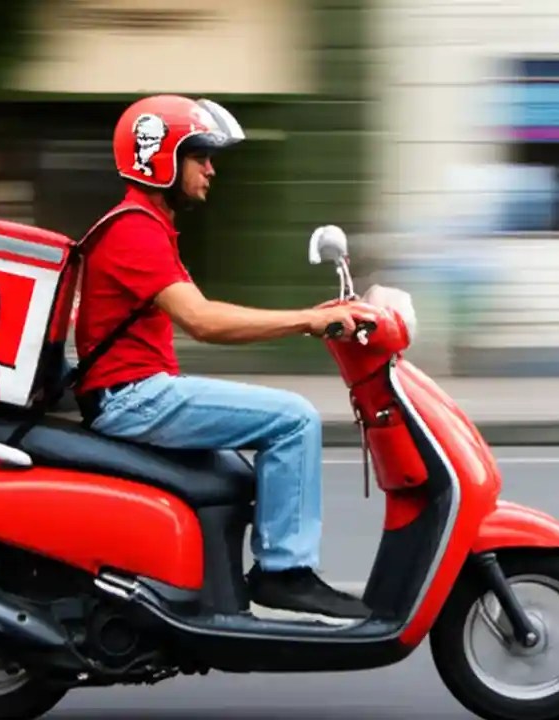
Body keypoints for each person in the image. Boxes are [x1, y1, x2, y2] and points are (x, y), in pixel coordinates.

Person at [72, 94, 371, 623]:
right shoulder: (134, 231)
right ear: (162, 159)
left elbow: (206, 312)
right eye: (200, 156)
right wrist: (304, 319)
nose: (211, 169)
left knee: (249, 453)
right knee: (294, 419)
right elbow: (204, 322)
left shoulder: (148, 226)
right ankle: (284, 573)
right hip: (134, 397)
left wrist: (310, 313)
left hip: (139, 389)